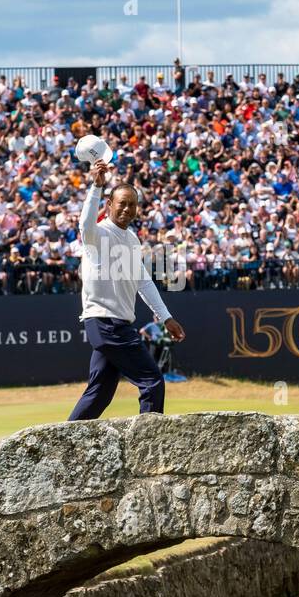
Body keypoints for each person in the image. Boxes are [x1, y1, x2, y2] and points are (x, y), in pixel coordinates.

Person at [68, 158, 186, 420]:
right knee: (152, 382)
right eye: (122, 203)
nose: (127, 209)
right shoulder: (97, 234)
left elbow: (143, 281)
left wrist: (165, 317)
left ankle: (62, 447)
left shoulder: (132, 238)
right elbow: (84, 225)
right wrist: (96, 187)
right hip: (106, 323)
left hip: (115, 325)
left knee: (99, 392)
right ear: (109, 205)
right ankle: (150, 448)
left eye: (132, 204)